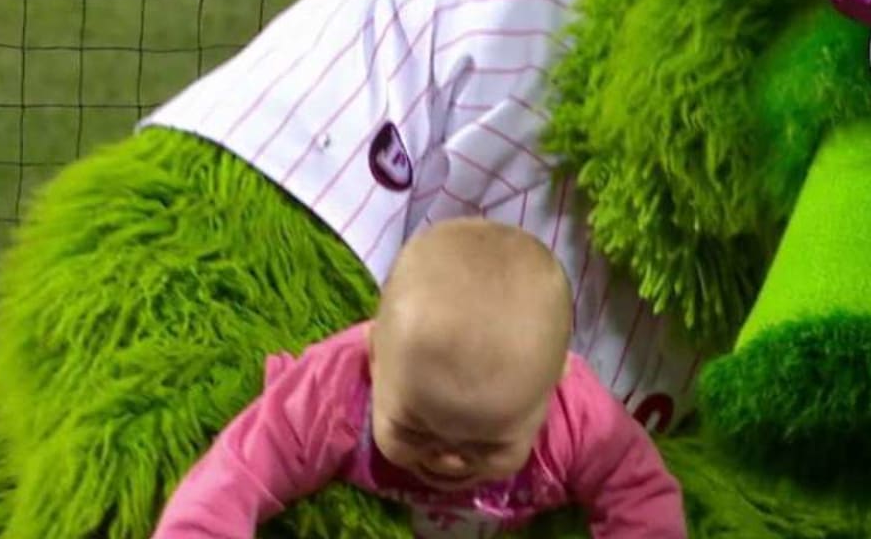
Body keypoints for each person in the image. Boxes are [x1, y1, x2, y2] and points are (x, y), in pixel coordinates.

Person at [151, 217, 686, 538]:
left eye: (488, 444)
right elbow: (236, 474)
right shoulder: (336, 393)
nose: (447, 460)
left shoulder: (583, 420)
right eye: (414, 430)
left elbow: (640, 495)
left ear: (551, 394)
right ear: (374, 359)